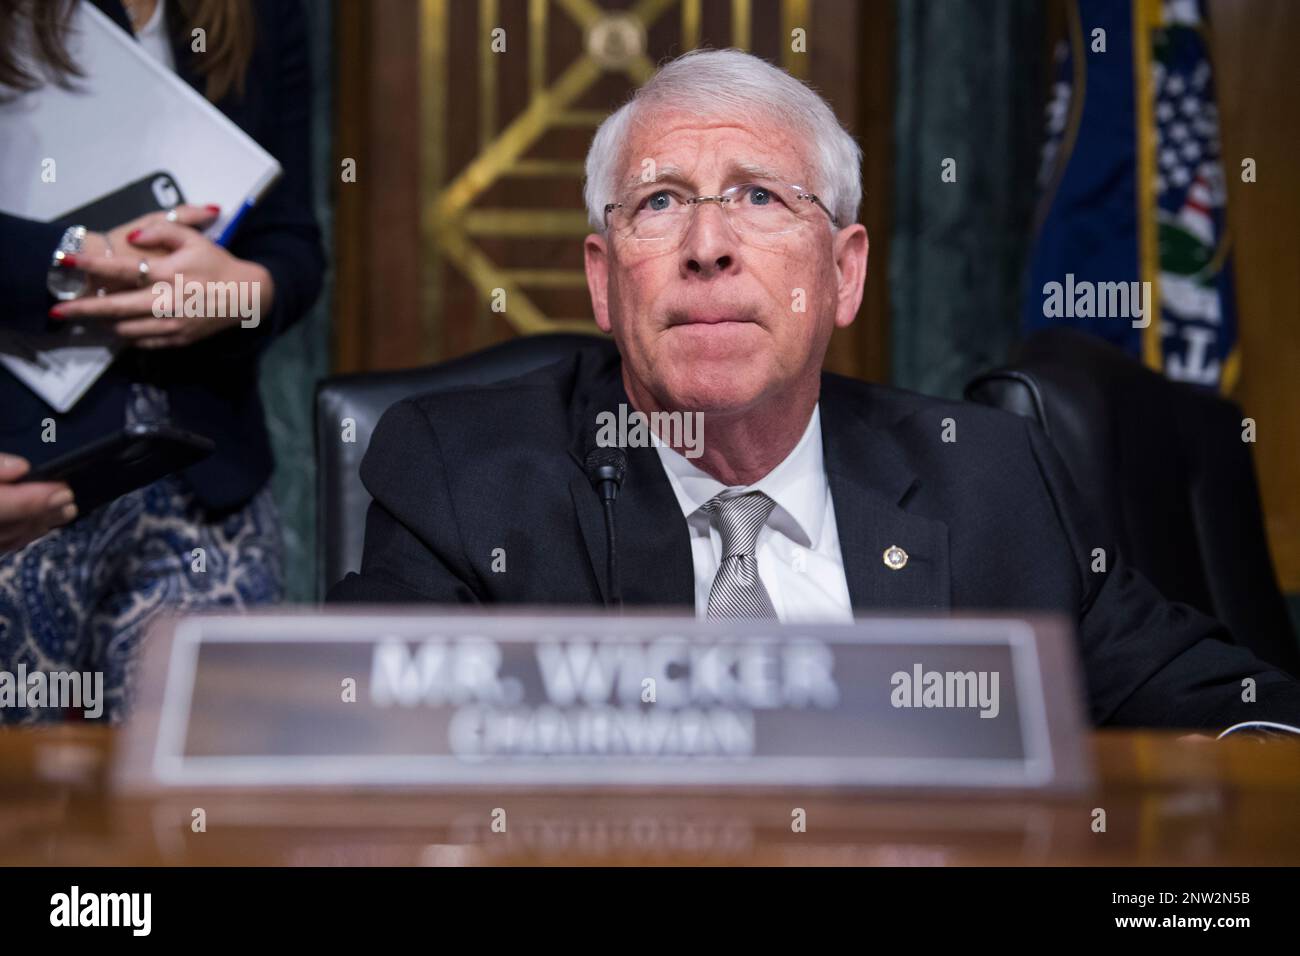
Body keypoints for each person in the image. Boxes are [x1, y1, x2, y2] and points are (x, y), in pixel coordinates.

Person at [329, 48, 1300, 730]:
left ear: (843, 272)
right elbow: (354, 744)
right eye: (661, 202)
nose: (707, 246)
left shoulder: (989, 479)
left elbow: (1232, 702)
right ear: (601, 277)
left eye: (759, 196)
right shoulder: (466, 476)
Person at [0, 0, 324, 722]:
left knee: (208, 804)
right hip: (24, 481)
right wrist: (71, 264)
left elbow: (293, 241)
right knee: (25, 812)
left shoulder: (260, 14)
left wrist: (247, 292)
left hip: (207, 479)